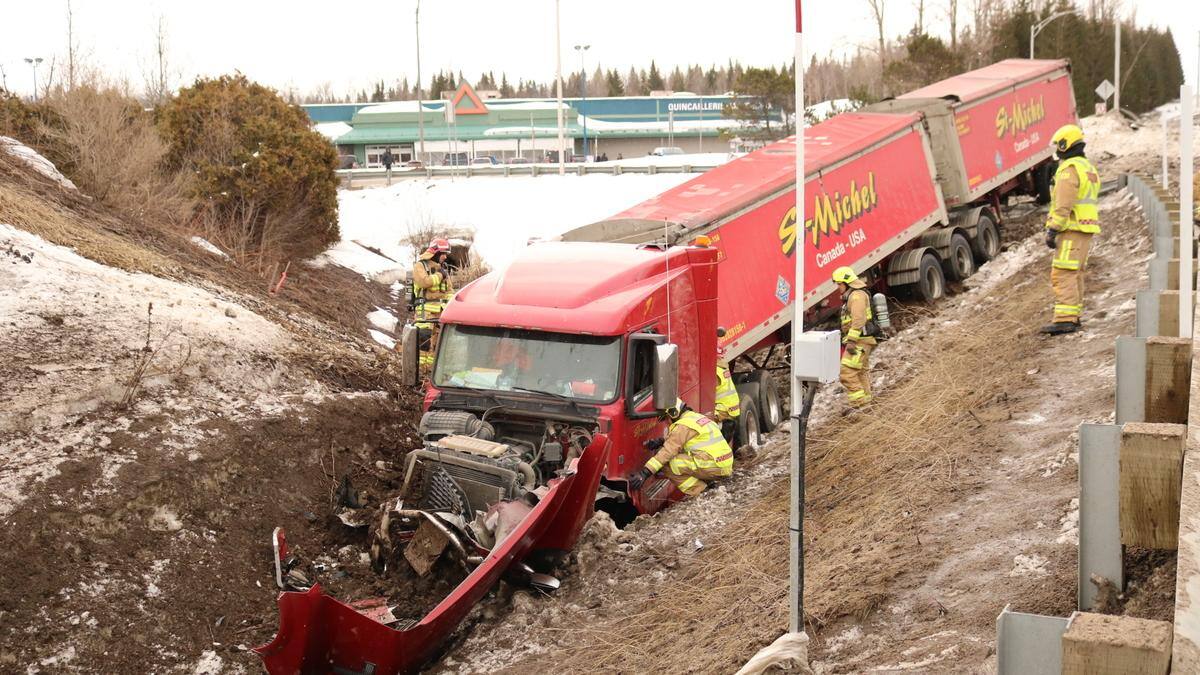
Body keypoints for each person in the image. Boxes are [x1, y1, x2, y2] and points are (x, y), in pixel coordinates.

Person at [1041, 124, 1101, 335]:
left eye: (1058, 145)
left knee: (1063, 273)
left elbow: (1063, 204)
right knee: (1076, 273)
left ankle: (1065, 319)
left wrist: (1052, 229)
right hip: (1084, 228)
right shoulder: (1087, 167)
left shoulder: (1069, 170)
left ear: (1065, 144)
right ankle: (1073, 316)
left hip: (1071, 229)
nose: (1056, 150)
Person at [628, 398, 734, 498]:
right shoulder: (696, 417)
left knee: (668, 464)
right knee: (690, 459)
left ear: (673, 413)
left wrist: (644, 473)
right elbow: (687, 438)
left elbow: (667, 453)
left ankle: (702, 492)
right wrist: (662, 441)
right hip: (725, 464)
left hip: (712, 465)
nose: (667, 422)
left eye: (666, 418)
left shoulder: (682, 426)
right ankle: (711, 484)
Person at [833, 266, 877, 407]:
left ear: (847, 283)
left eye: (839, 284)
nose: (838, 288)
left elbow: (859, 320)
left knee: (847, 373)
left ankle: (860, 405)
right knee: (860, 373)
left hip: (859, 341)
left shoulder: (856, 296)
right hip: (862, 340)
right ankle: (867, 404)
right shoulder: (853, 296)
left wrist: (851, 341)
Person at [412, 238, 454, 365]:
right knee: (424, 343)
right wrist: (440, 275)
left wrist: (452, 306)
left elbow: (449, 291)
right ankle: (419, 370)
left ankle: (431, 371)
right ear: (436, 252)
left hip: (440, 313)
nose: (445, 257)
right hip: (425, 312)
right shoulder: (420, 266)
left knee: (437, 344)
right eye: (443, 254)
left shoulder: (442, 268)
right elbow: (424, 282)